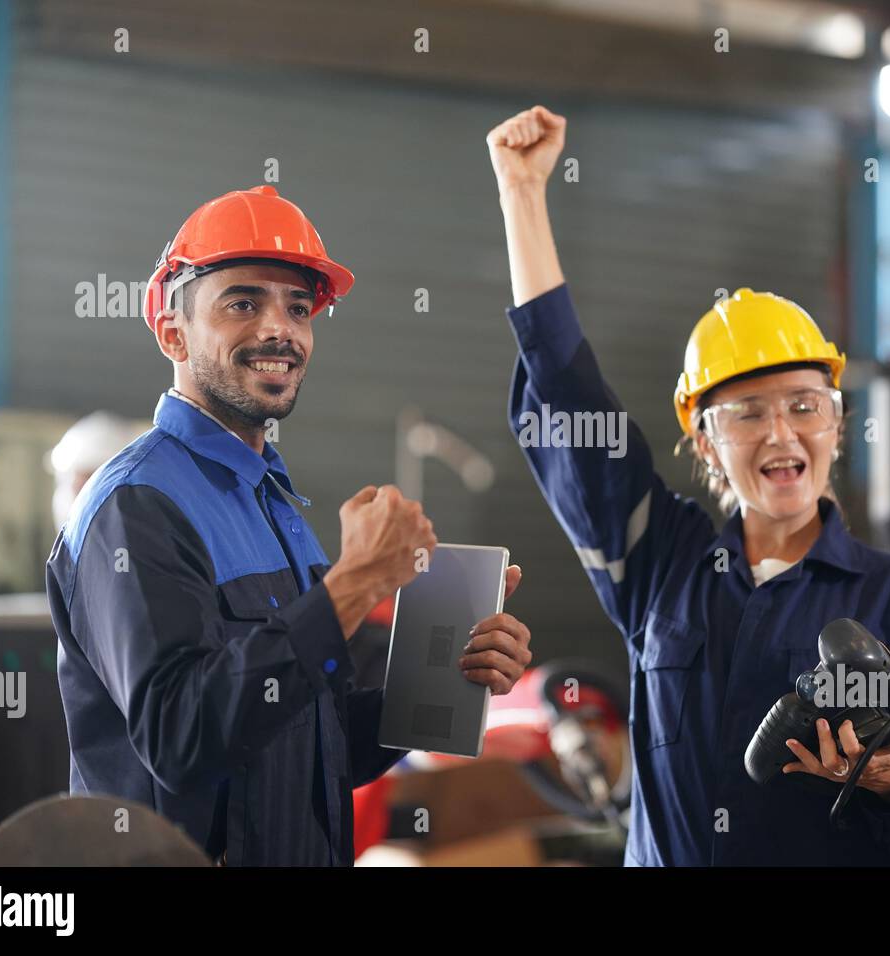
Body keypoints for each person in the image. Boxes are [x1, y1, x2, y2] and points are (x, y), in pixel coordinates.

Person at [486, 106, 890, 866]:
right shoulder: (659, 564)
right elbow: (569, 399)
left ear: (836, 426)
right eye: (746, 414)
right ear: (703, 440)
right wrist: (522, 193)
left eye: (806, 407)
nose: (780, 433)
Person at [46, 186, 533, 866]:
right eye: (244, 302)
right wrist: (352, 584)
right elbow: (181, 742)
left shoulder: (275, 504)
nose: (280, 328)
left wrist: (447, 681)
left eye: (298, 308)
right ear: (171, 331)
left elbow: (317, 745)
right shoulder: (137, 506)